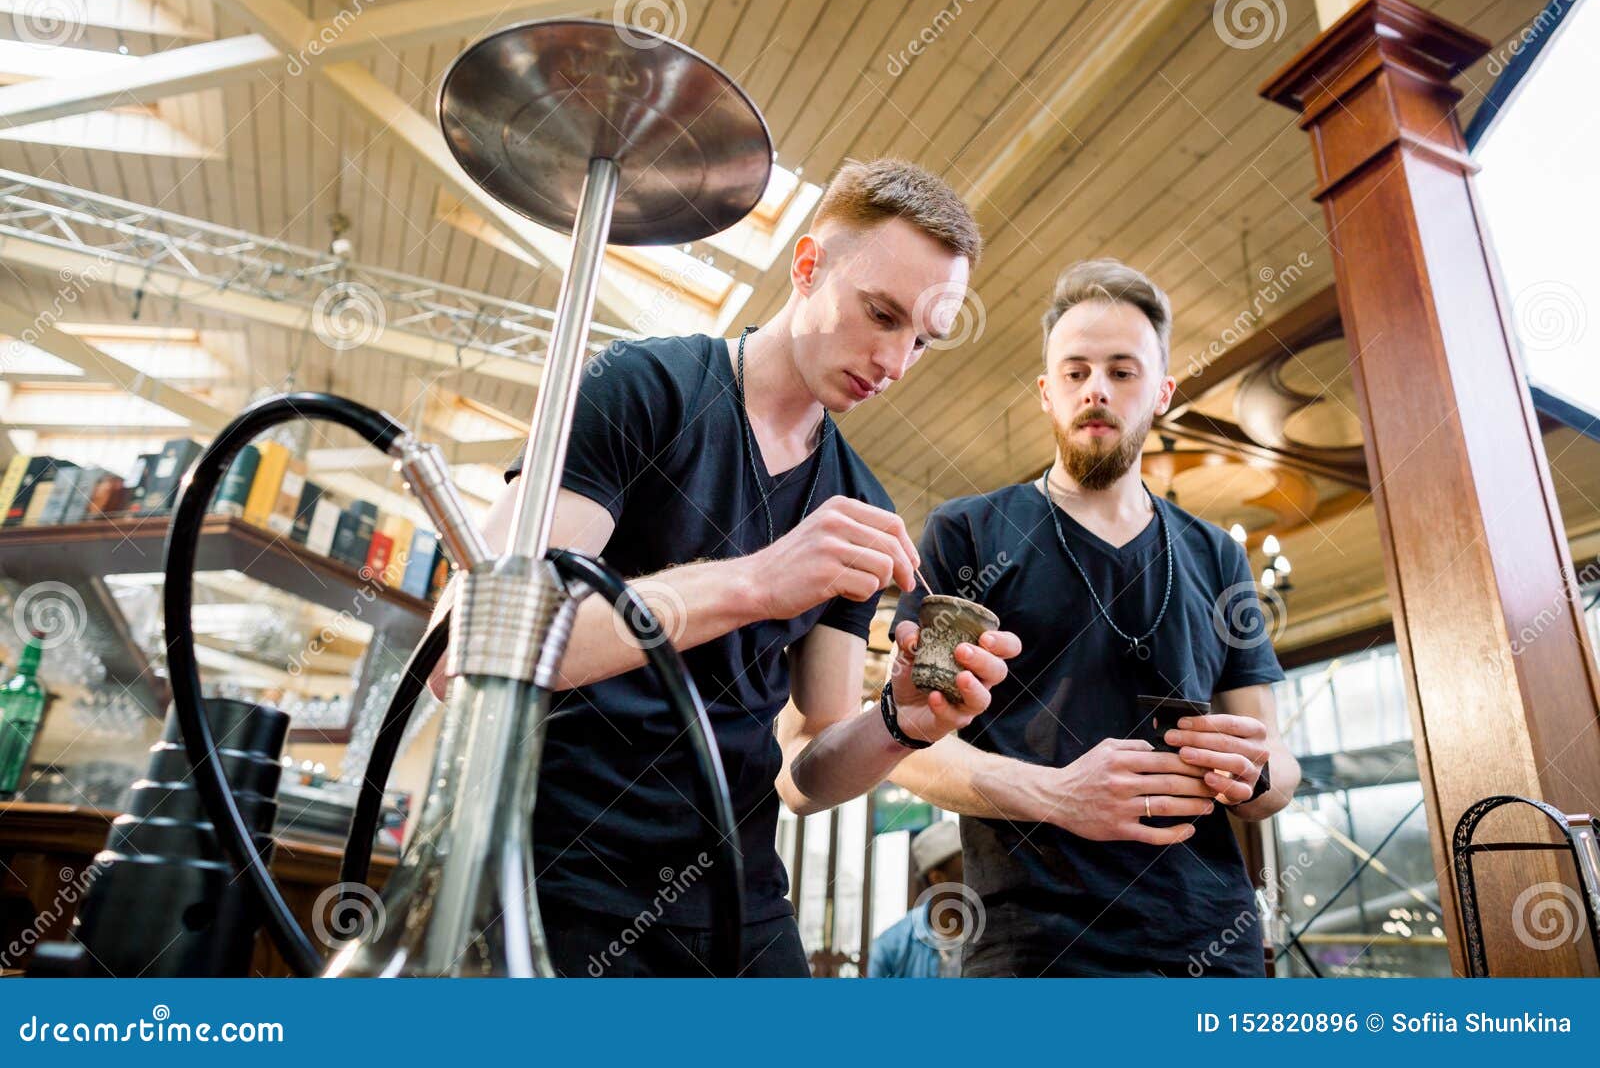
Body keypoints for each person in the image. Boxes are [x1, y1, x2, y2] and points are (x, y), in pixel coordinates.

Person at [428, 159, 1020, 977]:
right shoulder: (640, 389)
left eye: (921, 338)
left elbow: (806, 765)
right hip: (558, 873)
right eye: (879, 313)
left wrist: (897, 723)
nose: (893, 360)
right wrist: (753, 582)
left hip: (737, 894)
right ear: (806, 266)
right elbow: (460, 647)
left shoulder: (856, 500)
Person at [889, 258, 1300, 977]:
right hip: (1035, 950)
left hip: (1210, 944)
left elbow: (1278, 766)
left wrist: (1256, 771)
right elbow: (915, 746)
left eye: (1122, 370)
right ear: (1048, 394)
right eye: (1075, 372)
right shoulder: (969, 534)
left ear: (1162, 393)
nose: (1097, 389)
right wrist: (1057, 796)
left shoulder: (1217, 557)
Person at [868, 818, 968, 978]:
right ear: (938, 878)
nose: (975, 882)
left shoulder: (993, 932)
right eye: (965, 874)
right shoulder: (891, 946)